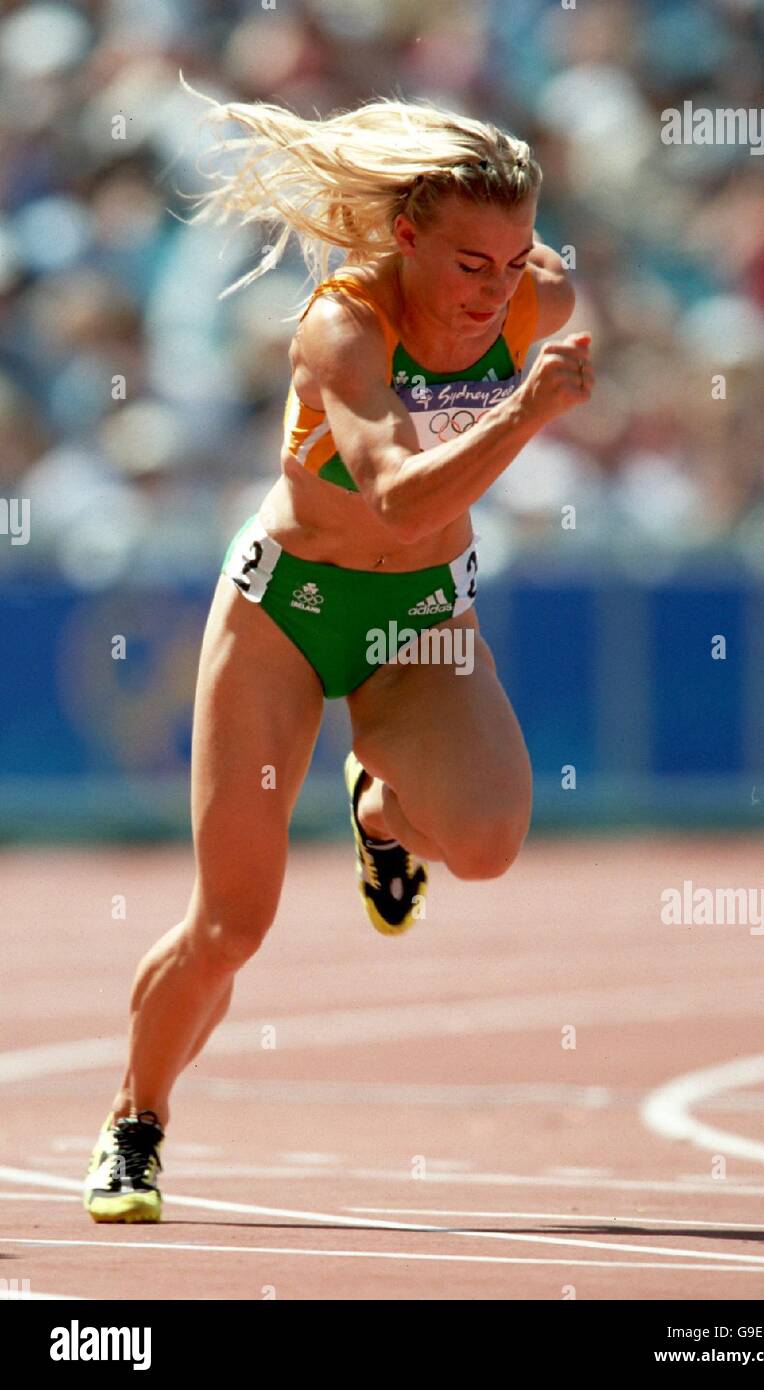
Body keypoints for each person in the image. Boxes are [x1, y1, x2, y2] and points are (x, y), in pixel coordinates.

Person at [83, 89, 593, 1222]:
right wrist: (522, 413)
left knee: (489, 841)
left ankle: (378, 814)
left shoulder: (534, 295)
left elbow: (425, 535)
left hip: (418, 621)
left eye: (513, 263)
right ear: (403, 236)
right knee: (231, 925)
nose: (494, 293)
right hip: (287, 609)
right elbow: (399, 500)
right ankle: (135, 1123)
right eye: (468, 264)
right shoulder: (342, 324)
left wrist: (518, 304)